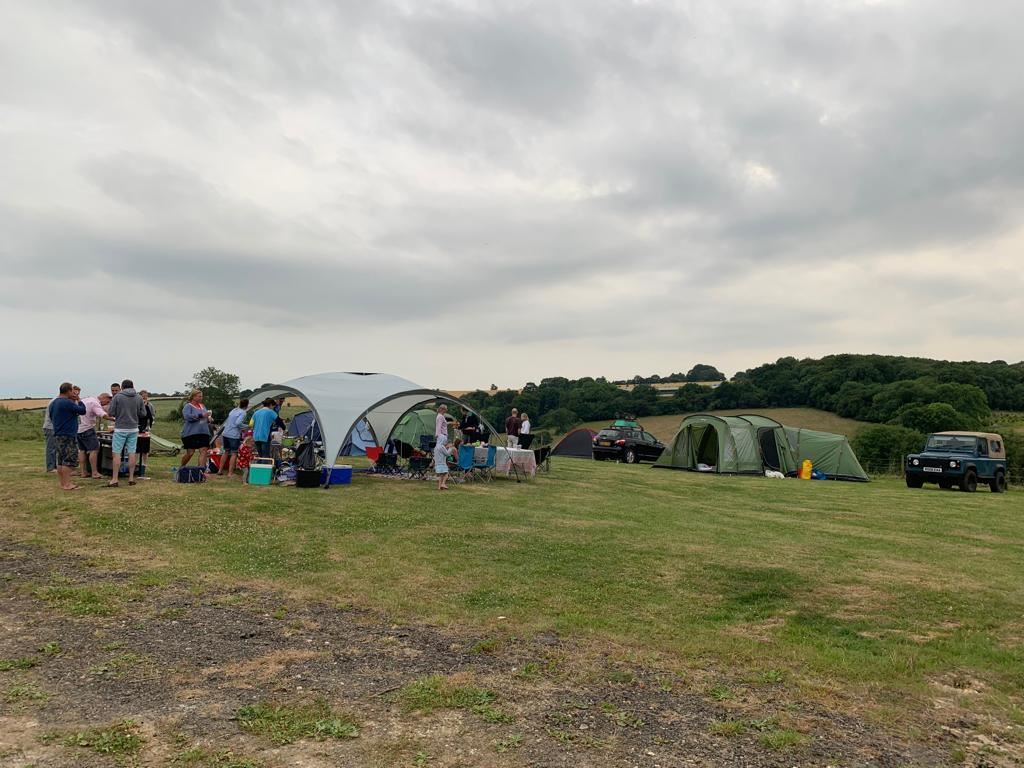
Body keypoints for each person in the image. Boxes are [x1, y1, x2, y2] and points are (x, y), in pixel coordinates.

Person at [105, 379, 147, 487]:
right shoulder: (138, 397)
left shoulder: (117, 397)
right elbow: (143, 413)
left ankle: (115, 479)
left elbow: (111, 412)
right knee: (132, 453)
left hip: (120, 429)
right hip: (133, 429)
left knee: (117, 453)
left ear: (122, 387)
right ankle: (131, 478)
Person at [48, 382, 86, 491]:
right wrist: (79, 399)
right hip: (68, 434)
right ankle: (67, 484)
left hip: (58, 434)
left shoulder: (54, 403)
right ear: (69, 391)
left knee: (61, 460)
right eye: (72, 391)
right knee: (69, 460)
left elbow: (51, 416)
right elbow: (82, 411)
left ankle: (62, 483)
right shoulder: (67, 402)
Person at [76, 391, 111, 479]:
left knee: (82, 450)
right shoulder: (95, 403)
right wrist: (115, 419)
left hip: (79, 428)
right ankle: (94, 472)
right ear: (104, 398)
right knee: (94, 450)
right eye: (107, 402)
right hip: (88, 429)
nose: (105, 404)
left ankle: (83, 472)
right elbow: (103, 415)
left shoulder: (86, 399)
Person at [180, 389, 213, 471]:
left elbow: (204, 417)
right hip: (191, 433)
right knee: (190, 452)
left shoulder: (202, 406)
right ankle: (182, 467)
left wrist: (209, 419)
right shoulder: (188, 406)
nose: (201, 398)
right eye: (199, 396)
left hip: (204, 432)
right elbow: (187, 417)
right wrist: (202, 415)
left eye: (201, 396)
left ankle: (200, 471)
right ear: (193, 397)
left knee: (204, 450)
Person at [220, 398, 250, 479]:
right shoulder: (243, 412)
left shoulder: (234, 410)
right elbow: (238, 423)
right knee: (234, 453)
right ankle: (230, 473)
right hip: (233, 435)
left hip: (225, 433)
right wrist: (247, 426)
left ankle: (220, 470)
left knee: (226, 451)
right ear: (247, 405)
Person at [136, 390, 157, 480]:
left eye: (146, 396)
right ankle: (136, 465)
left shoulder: (150, 405)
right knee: (137, 449)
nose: (144, 397)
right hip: (137, 428)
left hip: (146, 429)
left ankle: (144, 466)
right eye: (142, 396)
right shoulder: (136, 405)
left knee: (145, 449)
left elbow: (152, 416)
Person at [42, 395, 58, 473]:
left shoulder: (56, 401)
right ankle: (50, 467)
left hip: (53, 427)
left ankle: (54, 466)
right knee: (51, 448)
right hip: (50, 427)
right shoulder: (56, 402)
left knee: (54, 448)